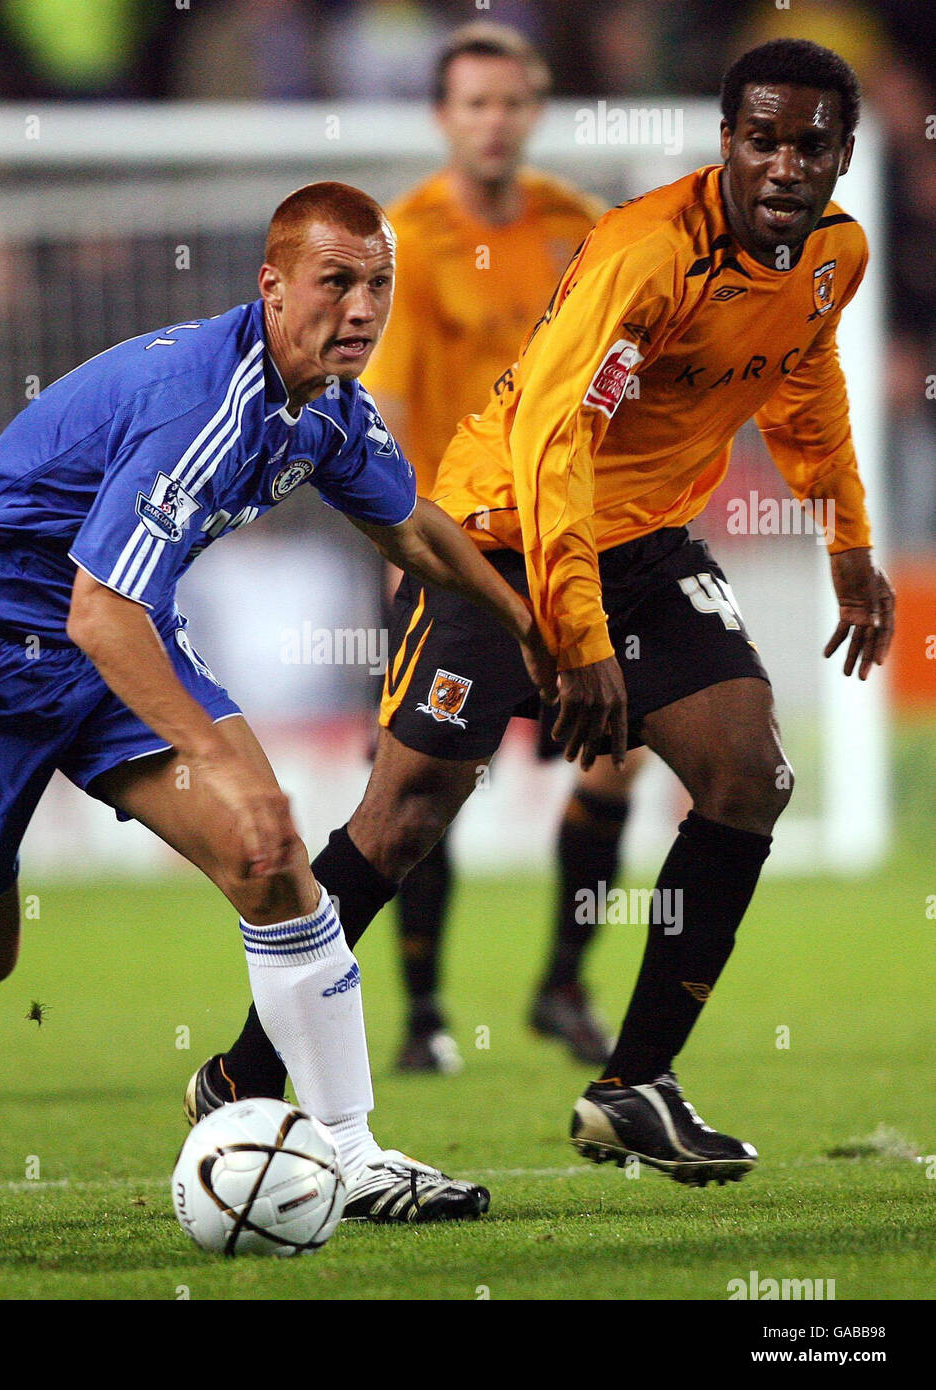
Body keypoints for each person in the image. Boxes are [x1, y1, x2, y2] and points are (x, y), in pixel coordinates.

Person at [190, 39, 894, 1186]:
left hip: (647, 544)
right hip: (497, 535)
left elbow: (804, 376)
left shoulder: (835, 255)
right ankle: (241, 1071)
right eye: (760, 139)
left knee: (749, 774)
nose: (782, 163)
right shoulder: (645, 254)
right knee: (405, 818)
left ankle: (633, 1086)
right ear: (726, 143)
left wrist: (851, 541)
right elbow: (556, 444)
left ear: (842, 155)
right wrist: (573, 634)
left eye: (807, 144)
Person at [0, 181, 554, 1223]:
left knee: (272, 860)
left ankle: (354, 1155)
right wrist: (217, 763)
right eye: (335, 283)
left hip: (110, 645)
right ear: (272, 286)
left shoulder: (331, 409)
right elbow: (101, 614)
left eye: (378, 286)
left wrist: (530, 625)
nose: (361, 309)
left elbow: (418, 533)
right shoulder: (202, 405)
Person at [359, 20, 644, 1074]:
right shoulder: (408, 239)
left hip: (570, 539)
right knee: (423, 781)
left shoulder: (580, 227)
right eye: (473, 104)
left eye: (510, 102)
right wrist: (403, 554)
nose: (493, 121)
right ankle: (425, 1012)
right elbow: (382, 417)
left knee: (618, 752)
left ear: (534, 110)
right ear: (445, 118)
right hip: (445, 545)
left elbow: (620, 381)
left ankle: (563, 986)